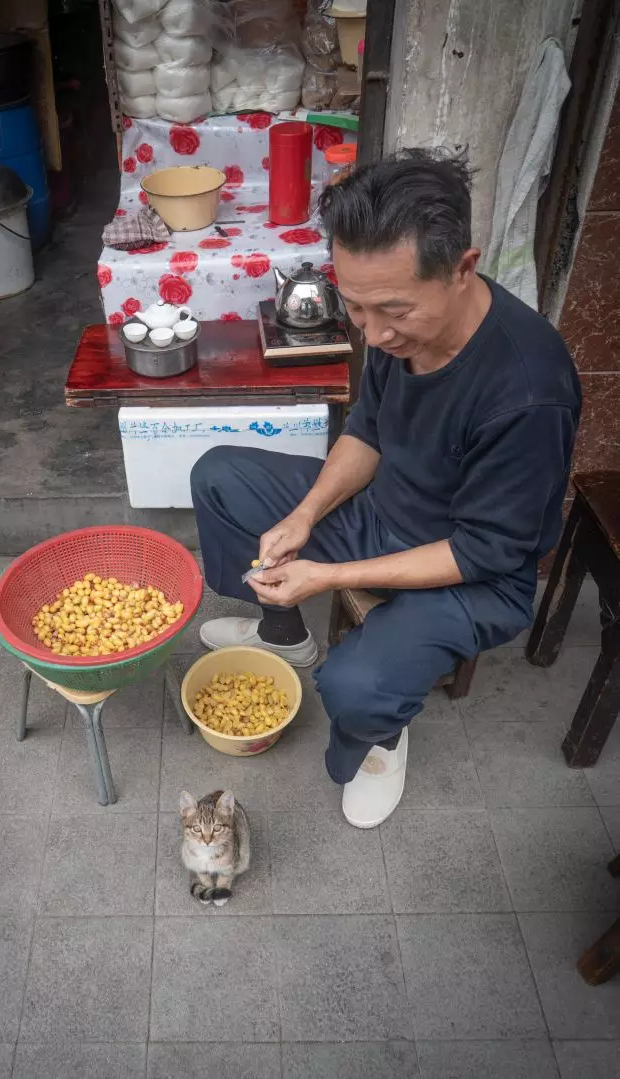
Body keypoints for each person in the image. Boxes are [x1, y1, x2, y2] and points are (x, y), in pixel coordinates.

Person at [191, 149, 581, 829]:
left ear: (463, 268)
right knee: (220, 476)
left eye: (392, 310)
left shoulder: (528, 391)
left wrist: (327, 574)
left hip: (476, 575)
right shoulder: (390, 324)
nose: (372, 331)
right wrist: (307, 516)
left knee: (357, 686)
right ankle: (283, 633)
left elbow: (486, 551)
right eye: (356, 306)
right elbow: (368, 431)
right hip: (382, 511)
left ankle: (378, 739)